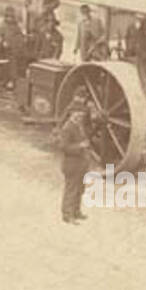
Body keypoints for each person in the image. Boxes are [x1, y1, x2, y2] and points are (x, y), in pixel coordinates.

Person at [55, 96, 97, 224]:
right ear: (72, 114)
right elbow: (63, 147)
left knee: (79, 189)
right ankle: (67, 215)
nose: (80, 117)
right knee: (71, 189)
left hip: (80, 164)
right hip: (71, 164)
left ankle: (76, 211)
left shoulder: (79, 126)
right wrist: (80, 146)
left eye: (82, 115)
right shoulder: (67, 128)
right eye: (78, 114)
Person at [0, 6, 29, 89]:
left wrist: (22, 41)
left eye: (11, 17)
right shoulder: (2, 27)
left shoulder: (16, 27)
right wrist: (2, 43)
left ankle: (16, 80)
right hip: (4, 52)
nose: (10, 18)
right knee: (11, 61)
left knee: (20, 60)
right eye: (8, 16)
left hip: (16, 51)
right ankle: (8, 80)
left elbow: (21, 38)